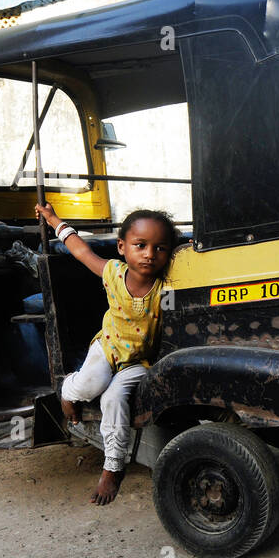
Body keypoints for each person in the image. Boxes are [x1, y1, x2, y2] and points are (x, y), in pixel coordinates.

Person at [34, 203, 177, 505]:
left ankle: (113, 468)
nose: (150, 254)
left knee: (113, 399)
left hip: (139, 362)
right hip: (107, 347)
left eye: (160, 248)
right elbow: (81, 251)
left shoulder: (166, 291)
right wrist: (53, 219)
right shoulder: (113, 272)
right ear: (122, 247)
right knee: (90, 385)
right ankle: (68, 390)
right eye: (141, 246)